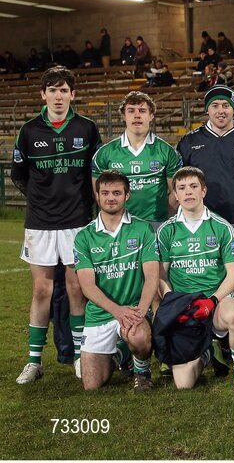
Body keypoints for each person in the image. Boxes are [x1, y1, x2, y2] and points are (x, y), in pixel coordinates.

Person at [12, 66, 103, 384]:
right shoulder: (29, 130)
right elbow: (18, 174)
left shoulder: (87, 128)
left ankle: (79, 357)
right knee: (41, 290)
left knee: (77, 288)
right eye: (52, 89)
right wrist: (41, 200)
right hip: (40, 224)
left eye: (64, 89)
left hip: (77, 222)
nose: (58, 95)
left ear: (72, 94)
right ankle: (34, 362)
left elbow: (96, 175)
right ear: (43, 94)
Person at [177, 85, 234, 332]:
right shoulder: (189, 142)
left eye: (226, 105)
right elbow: (181, 182)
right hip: (201, 225)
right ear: (207, 109)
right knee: (202, 283)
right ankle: (205, 340)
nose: (221, 111)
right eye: (215, 105)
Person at [157, 167, 234, 394]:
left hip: (216, 301)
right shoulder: (166, 231)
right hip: (184, 306)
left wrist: (212, 300)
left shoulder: (222, 227)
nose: (188, 192)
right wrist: (173, 301)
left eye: (193, 187)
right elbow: (160, 276)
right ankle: (209, 352)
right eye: (182, 188)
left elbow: (233, 275)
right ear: (176, 195)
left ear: (203, 191)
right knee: (183, 383)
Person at [74, 170, 159, 391]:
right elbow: (87, 285)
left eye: (117, 193)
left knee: (139, 337)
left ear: (127, 196)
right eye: (105, 193)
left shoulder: (142, 229)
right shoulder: (84, 236)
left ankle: (142, 371)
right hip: (101, 313)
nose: (111, 197)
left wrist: (140, 311)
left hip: (133, 310)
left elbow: (152, 275)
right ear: (97, 196)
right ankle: (120, 355)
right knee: (91, 385)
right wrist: (116, 310)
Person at [92, 91, 182, 229]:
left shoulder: (167, 152)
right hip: (119, 225)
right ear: (123, 115)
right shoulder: (105, 153)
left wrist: (161, 220)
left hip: (156, 225)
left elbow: (177, 194)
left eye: (142, 110)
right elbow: (98, 195)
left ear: (151, 115)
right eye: (131, 111)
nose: (137, 115)